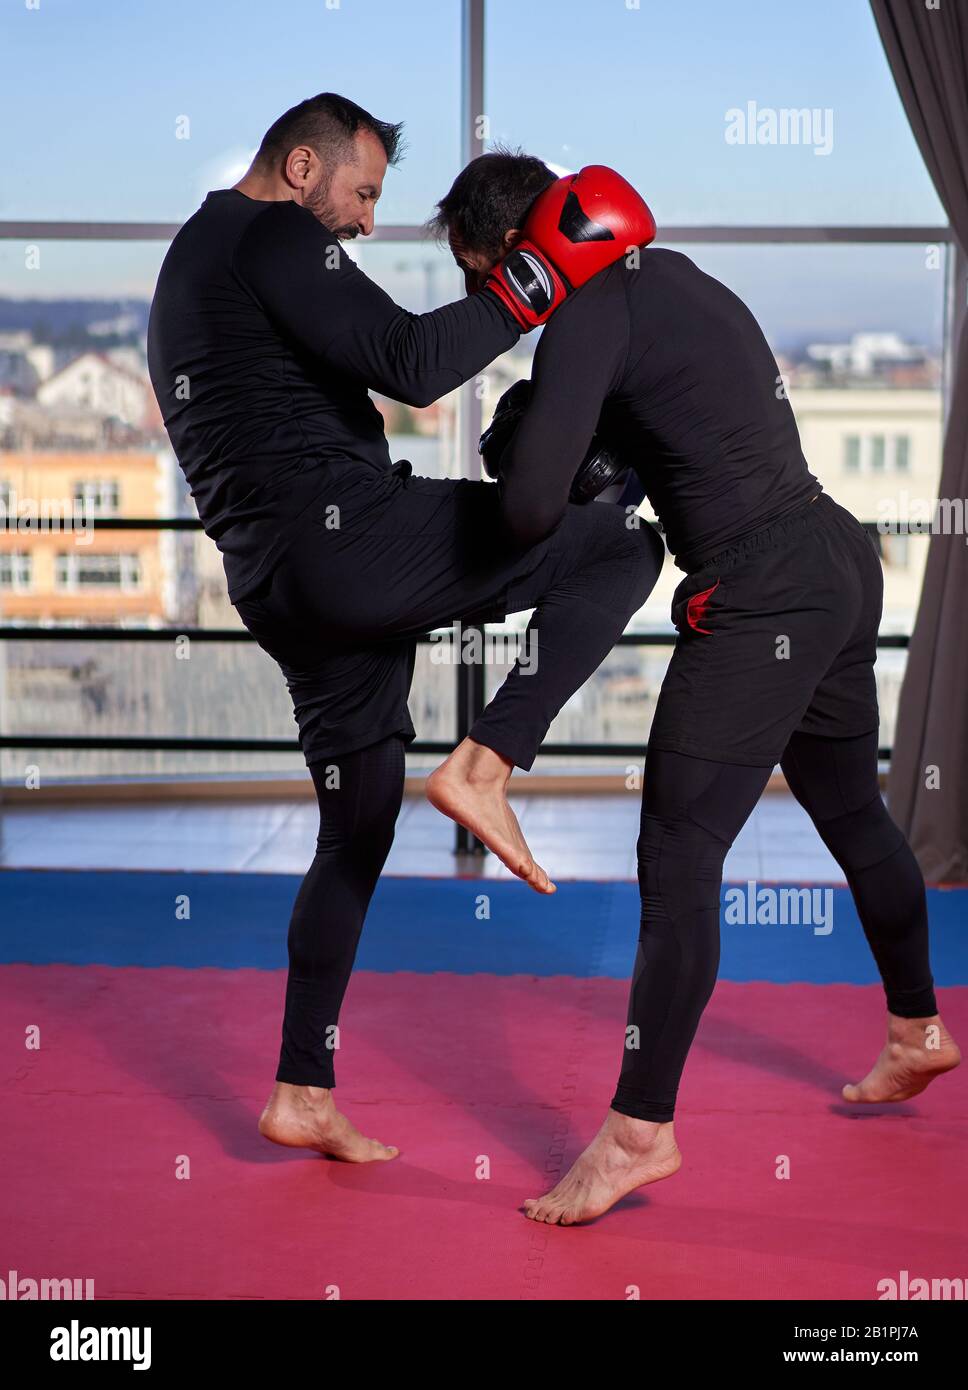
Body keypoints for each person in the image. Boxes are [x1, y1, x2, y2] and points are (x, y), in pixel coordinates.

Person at [429, 148, 962, 1224]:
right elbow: (665, 442)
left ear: (512, 254)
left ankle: (636, 1132)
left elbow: (533, 508)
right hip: (834, 558)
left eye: (489, 280)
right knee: (851, 811)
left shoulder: (586, 315)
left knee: (677, 855)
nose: (503, 310)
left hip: (763, 589)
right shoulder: (673, 281)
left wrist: (525, 446)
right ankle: (917, 1029)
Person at [147, 94, 662, 1165]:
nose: (368, 221)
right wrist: (540, 274)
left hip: (280, 584)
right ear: (301, 166)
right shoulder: (271, 232)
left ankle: (301, 1087)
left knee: (357, 825)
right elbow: (415, 361)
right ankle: (487, 762)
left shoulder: (194, 262)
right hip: (346, 541)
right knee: (620, 545)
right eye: (362, 191)